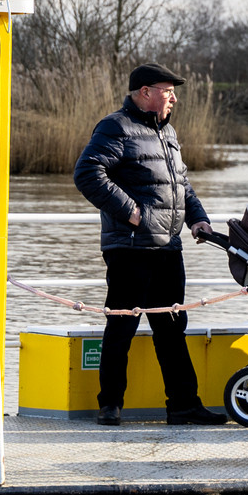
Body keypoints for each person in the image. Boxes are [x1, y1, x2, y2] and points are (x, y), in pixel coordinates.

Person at [73, 62, 223, 427]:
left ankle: (183, 406)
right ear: (145, 93)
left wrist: (198, 218)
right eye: (168, 91)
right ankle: (110, 405)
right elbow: (87, 173)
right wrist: (132, 213)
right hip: (130, 249)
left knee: (172, 328)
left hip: (168, 248)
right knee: (121, 326)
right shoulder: (115, 127)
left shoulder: (167, 132)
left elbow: (181, 185)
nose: (174, 98)